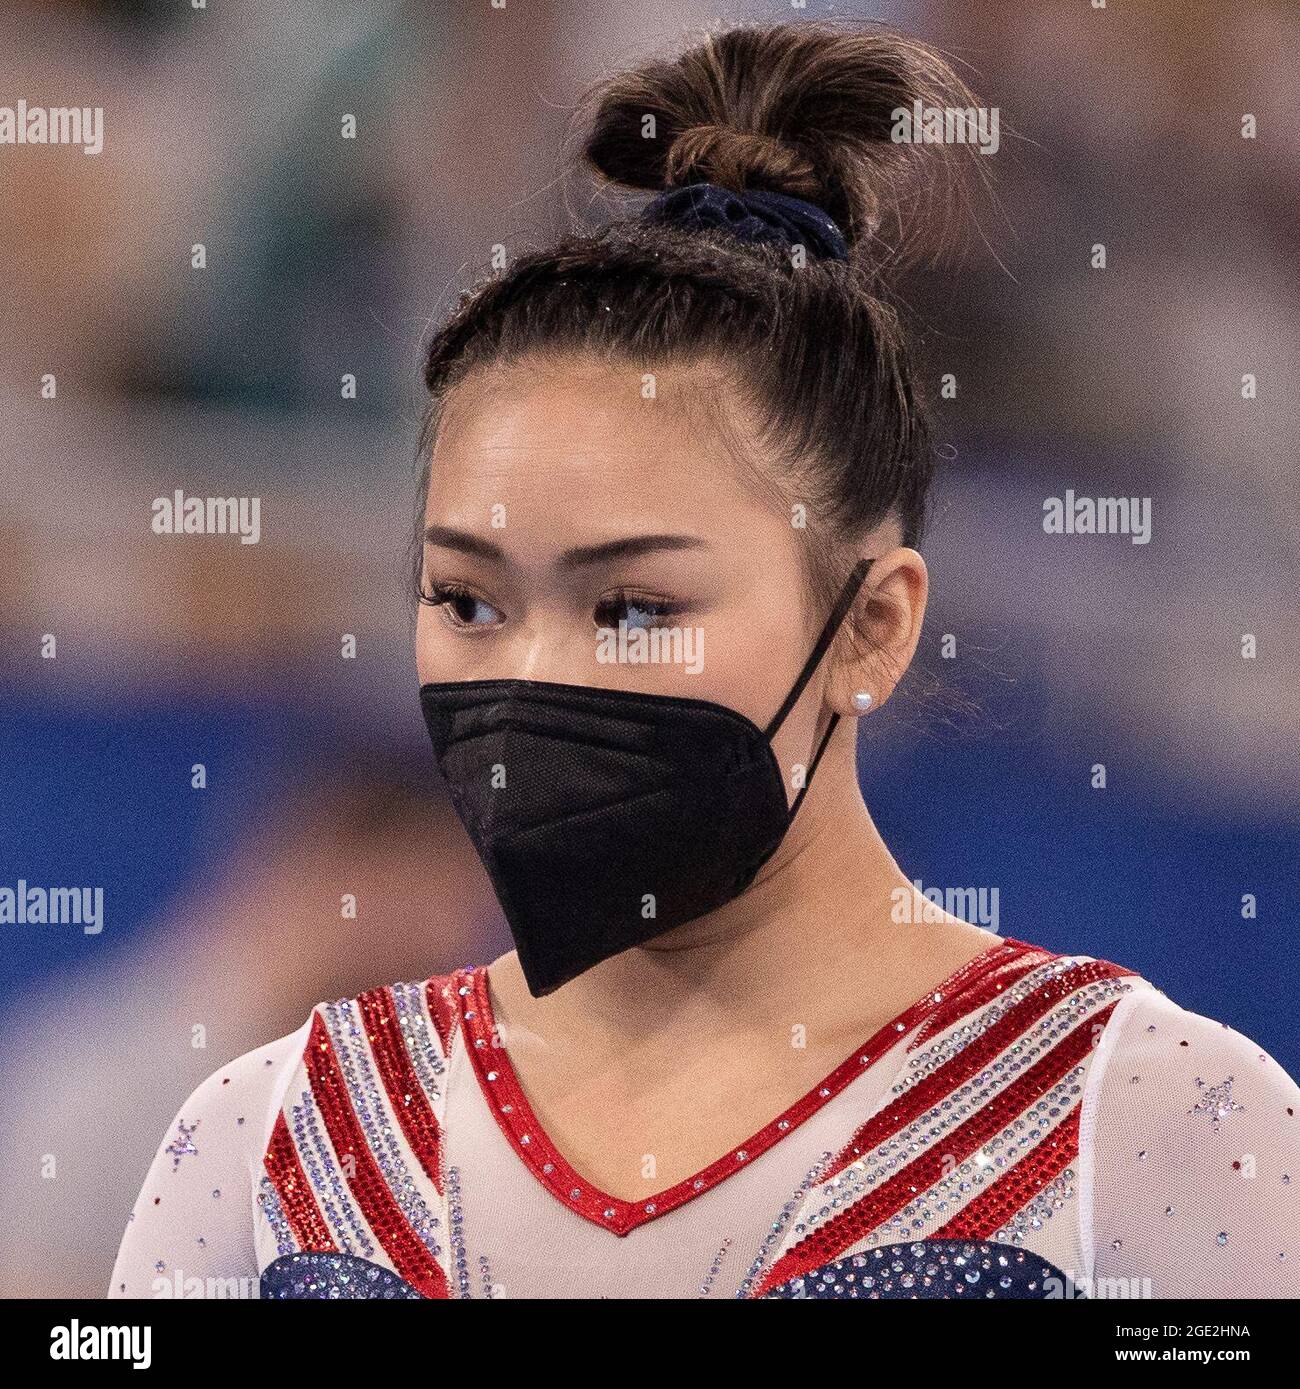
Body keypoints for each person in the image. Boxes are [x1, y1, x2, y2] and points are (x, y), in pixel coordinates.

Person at [110, 20, 1300, 1300]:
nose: (534, 673)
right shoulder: (271, 1135)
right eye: (465, 598)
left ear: (870, 628)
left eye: (631, 609)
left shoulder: (1156, 1124)